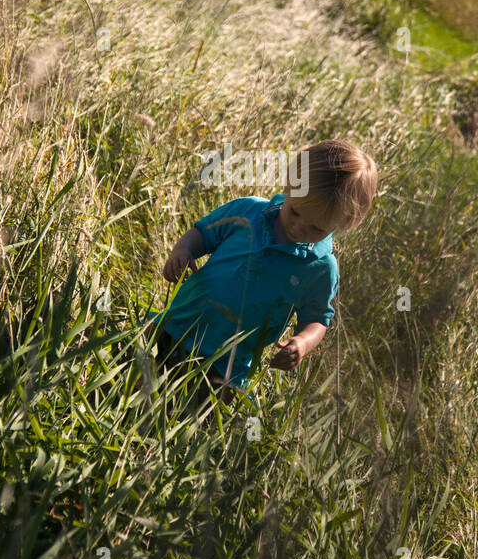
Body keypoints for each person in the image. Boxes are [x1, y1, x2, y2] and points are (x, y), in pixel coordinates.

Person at [149, 140, 377, 400]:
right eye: (295, 211)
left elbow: (316, 319)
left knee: (182, 419)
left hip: (224, 368)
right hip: (174, 327)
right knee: (133, 392)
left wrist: (302, 342)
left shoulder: (320, 267)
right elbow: (203, 233)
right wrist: (183, 251)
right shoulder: (249, 212)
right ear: (291, 183)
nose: (300, 227)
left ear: (344, 224)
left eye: (317, 229)